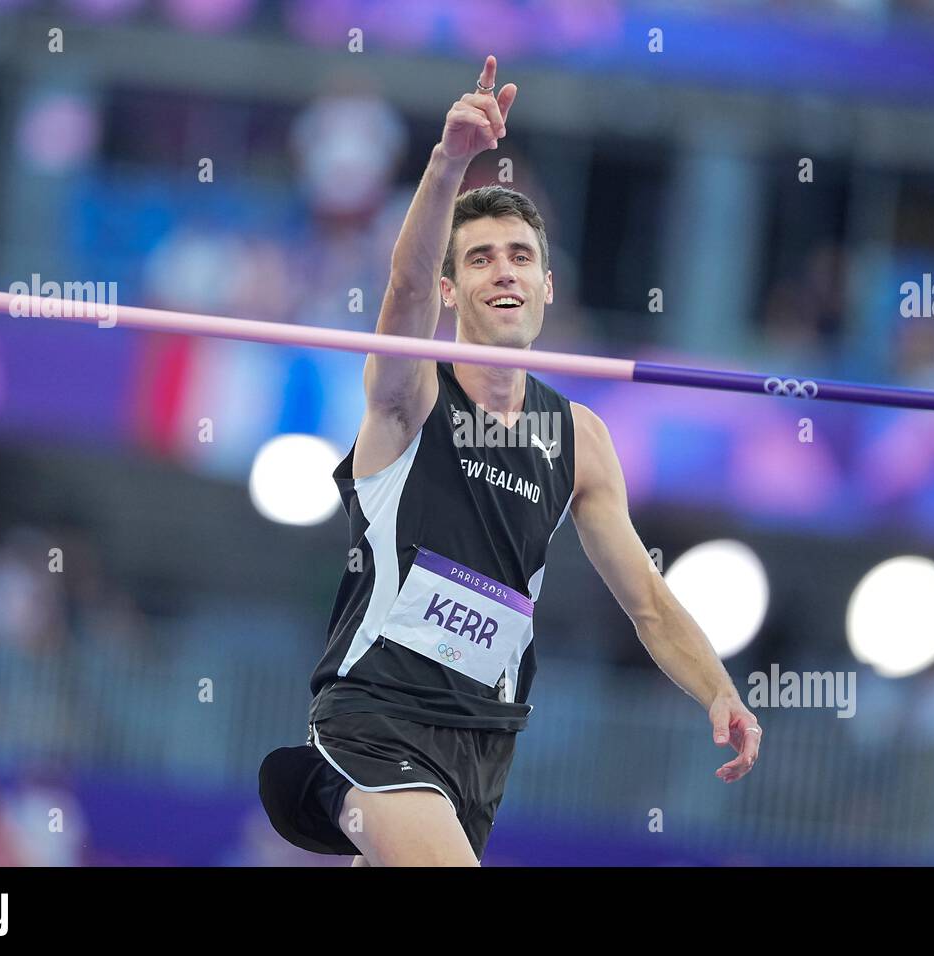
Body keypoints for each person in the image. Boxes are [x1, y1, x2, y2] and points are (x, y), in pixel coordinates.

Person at [260, 55, 761, 867]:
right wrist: (448, 159)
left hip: (481, 753)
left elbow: (648, 603)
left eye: (521, 256)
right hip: (375, 724)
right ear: (456, 290)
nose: (505, 271)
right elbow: (405, 288)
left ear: (548, 287)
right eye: (483, 257)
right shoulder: (410, 395)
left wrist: (719, 690)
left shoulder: (580, 439)